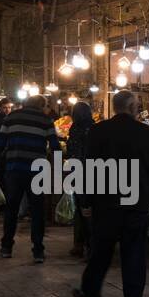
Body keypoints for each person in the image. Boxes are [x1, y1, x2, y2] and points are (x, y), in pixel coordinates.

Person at [73, 90, 149, 297]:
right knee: (134, 252)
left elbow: (89, 167)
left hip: (106, 202)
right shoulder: (147, 132)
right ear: (132, 107)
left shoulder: (98, 131)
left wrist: (87, 200)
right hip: (136, 202)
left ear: (114, 107)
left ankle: (91, 291)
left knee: (101, 249)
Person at [0, 95, 59, 263]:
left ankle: (6, 247)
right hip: (37, 173)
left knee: (11, 210)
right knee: (37, 211)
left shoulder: (11, 118)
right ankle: (38, 251)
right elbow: (56, 147)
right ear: (42, 106)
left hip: (14, 170)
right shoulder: (46, 120)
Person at [64, 101, 95, 258]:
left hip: (78, 172)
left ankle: (82, 246)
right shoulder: (94, 127)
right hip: (94, 172)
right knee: (88, 210)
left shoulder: (75, 128)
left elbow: (72, 151)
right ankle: (86, 247)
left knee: (81, 210)